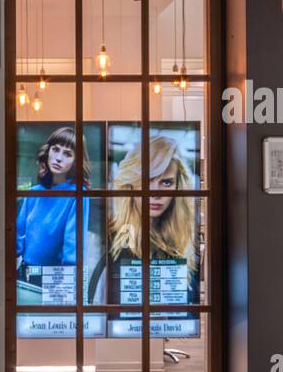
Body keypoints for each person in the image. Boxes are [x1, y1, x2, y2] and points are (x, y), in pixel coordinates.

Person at [96, 135, 200, 308]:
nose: (155, 193)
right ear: (131, 184)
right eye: (147, 181)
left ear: (177, 187)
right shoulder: (111, 243)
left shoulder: (183, 246)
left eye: (166, 183)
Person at [15, 127, 90, 299]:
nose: (58, 158)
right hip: (26, 273)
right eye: (55, 149)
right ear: (48, 151)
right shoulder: (33, 193)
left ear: (76, 161)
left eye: (67, 154)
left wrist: (74, 288)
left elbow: (73, 246)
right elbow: (17, 241)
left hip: (57, 277)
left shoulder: (78, 194)